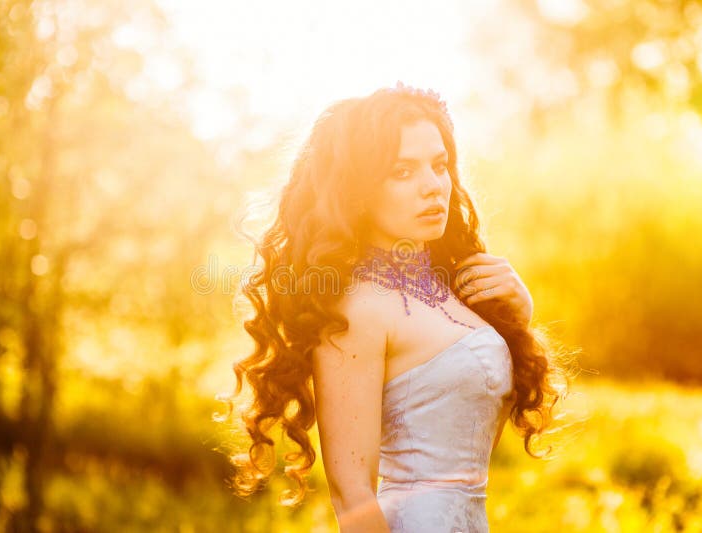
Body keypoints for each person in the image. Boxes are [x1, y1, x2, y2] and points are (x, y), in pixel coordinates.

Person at [217, 82, 573, 532]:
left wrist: (518, 320)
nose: (432, 187)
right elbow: (352, 496)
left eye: (439, 165)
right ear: (358, 191)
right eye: (402, 172)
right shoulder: (355, 313)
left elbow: (466, 448)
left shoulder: (453, 292)